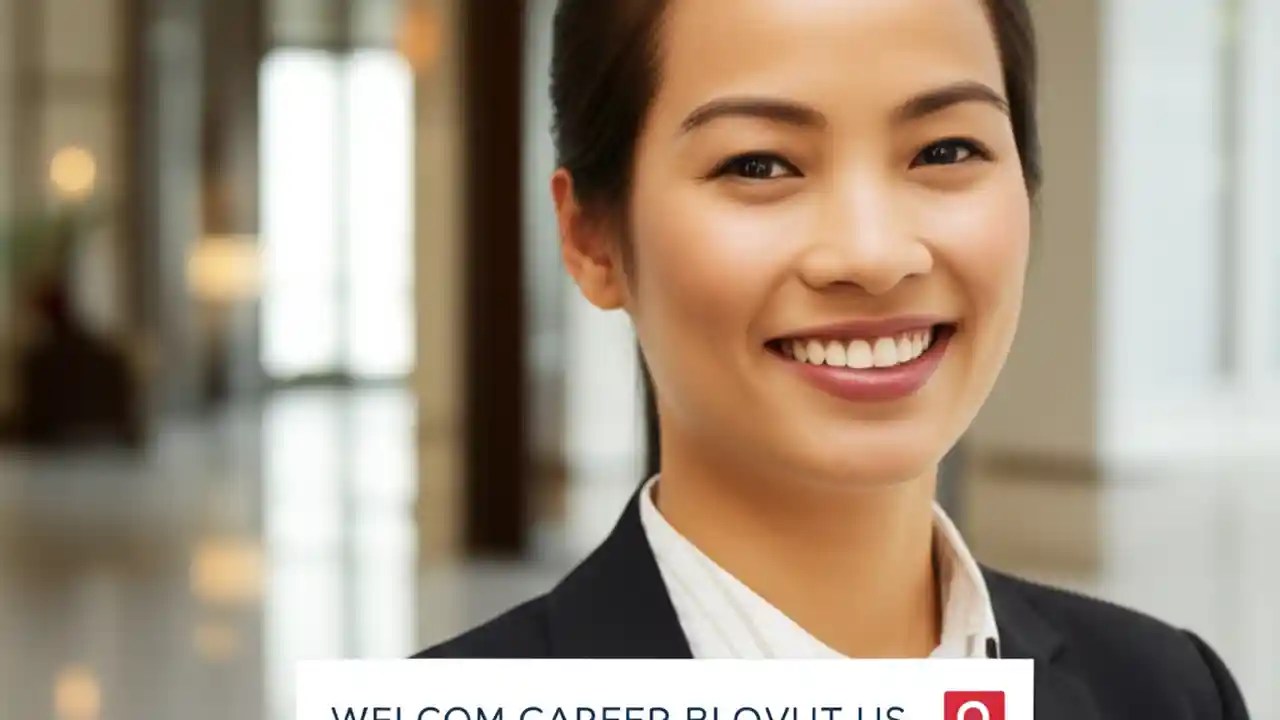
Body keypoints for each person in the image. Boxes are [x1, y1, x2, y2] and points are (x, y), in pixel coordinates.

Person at [418, 1, 1251, 717]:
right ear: (591, 238)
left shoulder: (1166, 692)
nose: (874, 254)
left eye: (946, 151)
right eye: (759, 164)